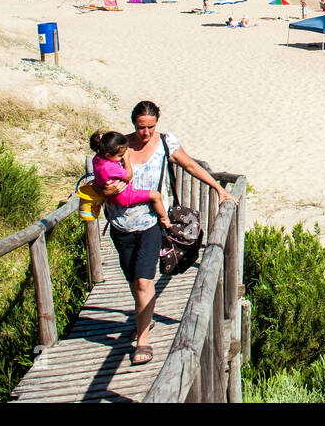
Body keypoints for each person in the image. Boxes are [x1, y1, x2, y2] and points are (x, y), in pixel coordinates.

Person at [95, 101, 234, 365]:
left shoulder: (166, 143)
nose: (145, 133)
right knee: (134, 282)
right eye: (140, 127)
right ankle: (143, 317)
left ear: (156, 123)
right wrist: (103, 192)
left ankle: (143, 340)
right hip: (120, 226)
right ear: (133, 123)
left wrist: (218, 188)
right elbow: (98, 177)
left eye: (150, 127)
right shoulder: (118, 145)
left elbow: (191, 166)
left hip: (152, 224)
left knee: (146, 281)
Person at [89, 131, 171, 232]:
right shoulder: (109, 167)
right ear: (108, 155)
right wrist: (126, 159)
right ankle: (164, 218)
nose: (121, 157)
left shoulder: (97, 159)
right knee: (155, 195)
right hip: (123, 195)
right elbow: (128, 176)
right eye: (120, 156)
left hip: (113, 197)